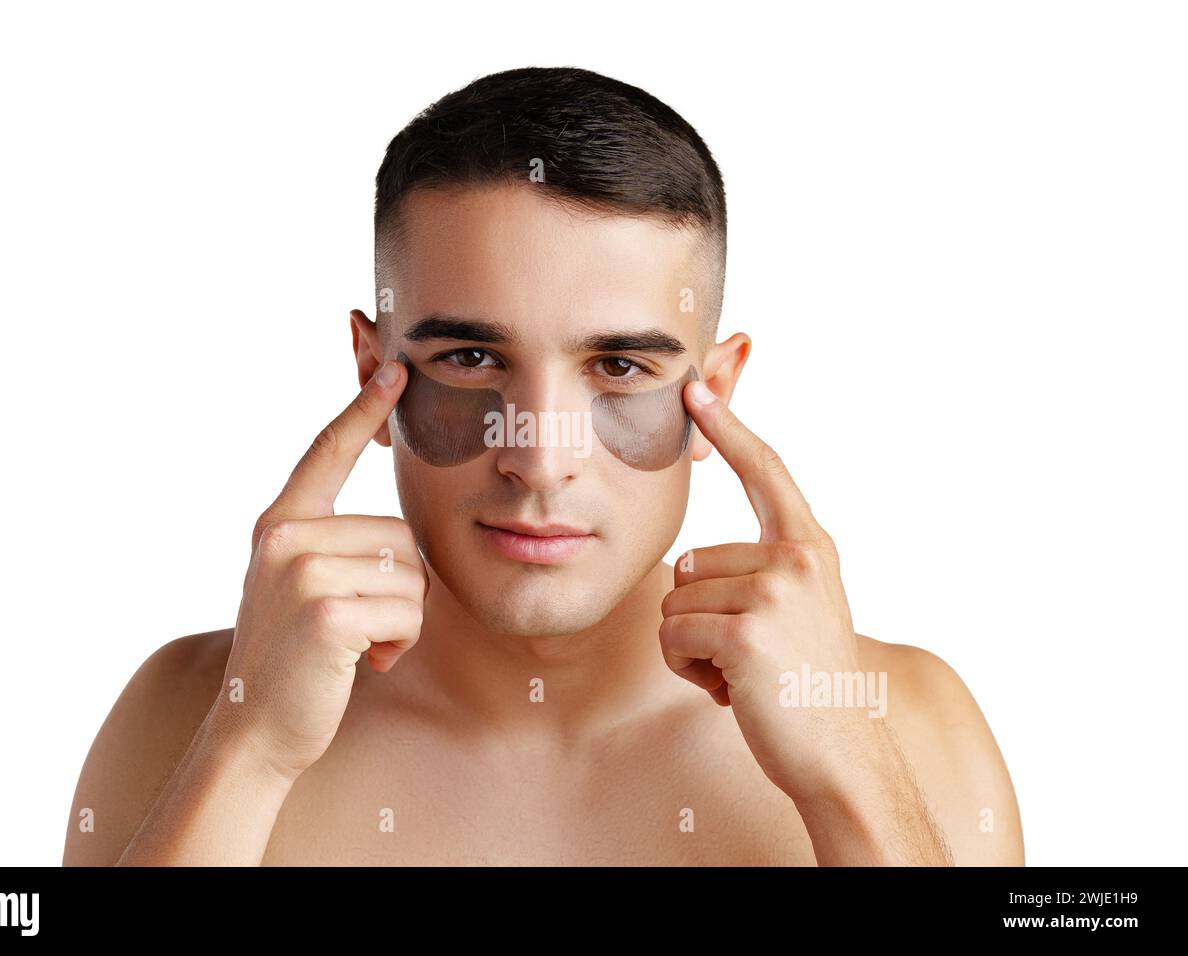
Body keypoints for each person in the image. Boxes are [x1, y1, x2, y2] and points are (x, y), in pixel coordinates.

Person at [63, 66, 1023, 866]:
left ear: (715, 391)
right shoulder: (192, 712)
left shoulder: (903, 720)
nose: (540, 459)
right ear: (373, 373)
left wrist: (848, 775)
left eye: (618, 366)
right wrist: (251, 753)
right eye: (471, 360)